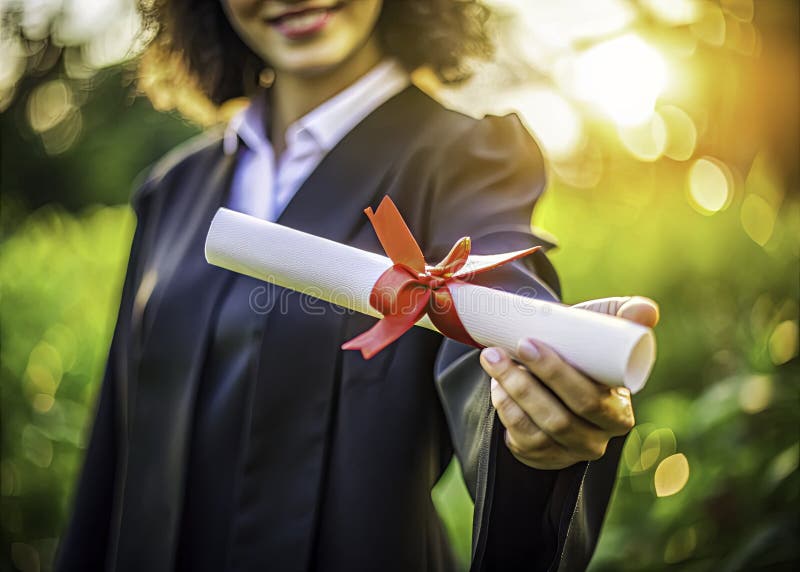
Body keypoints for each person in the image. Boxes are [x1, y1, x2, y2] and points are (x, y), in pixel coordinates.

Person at [56, 1, 659, 571]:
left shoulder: (464, 158)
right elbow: (115, 448)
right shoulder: (171, 190)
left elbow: (496, 300)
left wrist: (528, 410)